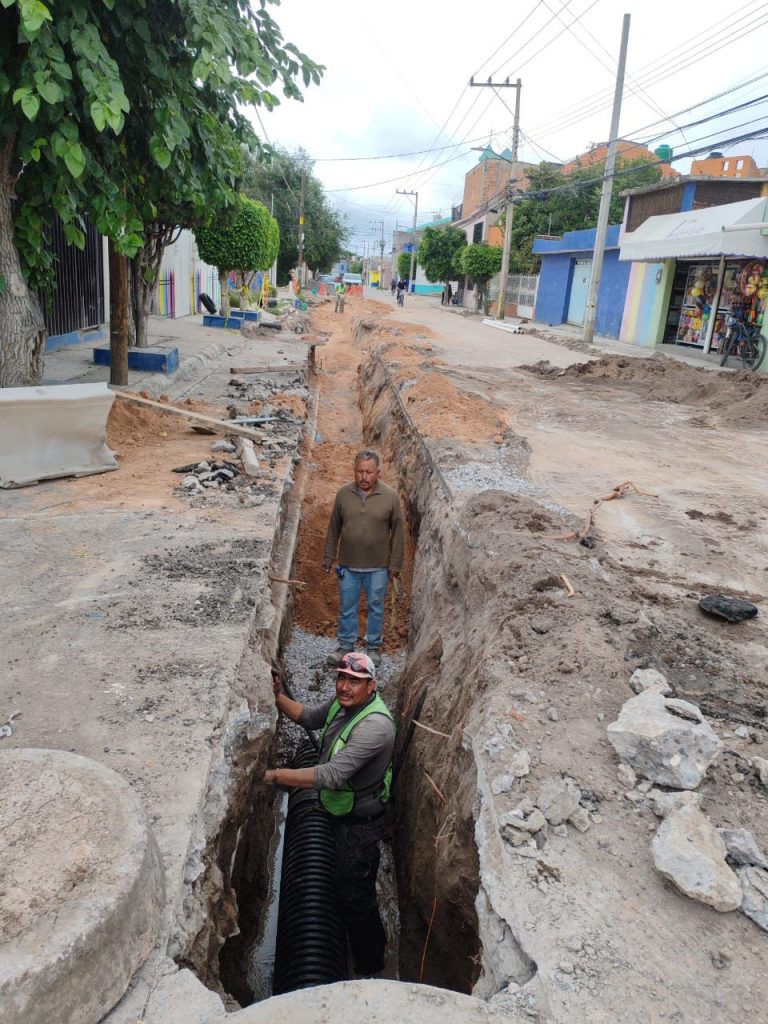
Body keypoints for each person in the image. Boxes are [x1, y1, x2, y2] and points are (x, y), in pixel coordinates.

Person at [264, 652, 396, 977]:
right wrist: (278, 696)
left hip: (360, 826)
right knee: (340, 885)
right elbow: (309, 717)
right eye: (342, 678)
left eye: (354, 681)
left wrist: (276, 776)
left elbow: (332, 775)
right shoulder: (343, 704)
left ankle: (370, 965)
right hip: (338, 810)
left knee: (356, 897)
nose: (345, 686)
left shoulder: (375, 726)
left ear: (371, 686)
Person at [323, 450, 404, 667]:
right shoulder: (343, 495)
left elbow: (398, 533)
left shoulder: (390, 497)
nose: (363, 477)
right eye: (359, 471)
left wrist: (395, 564)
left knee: (376, 607)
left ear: (378, 472)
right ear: (354, 471)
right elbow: (334, 528)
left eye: (368, 472)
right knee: (347, 606)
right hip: (348, 566)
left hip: (378, 567)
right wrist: (329, 556)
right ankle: (345, 646)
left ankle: (373, 648)